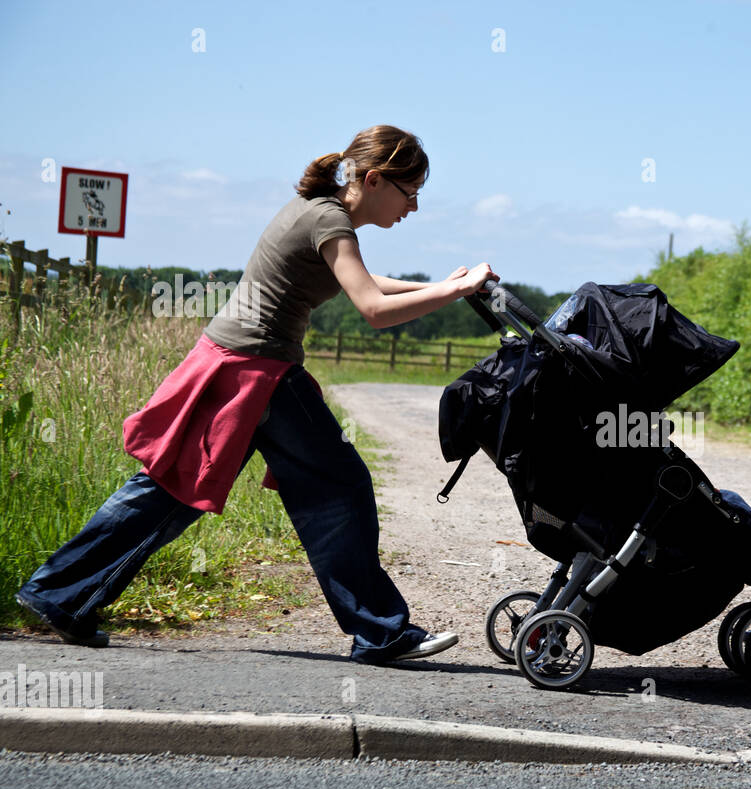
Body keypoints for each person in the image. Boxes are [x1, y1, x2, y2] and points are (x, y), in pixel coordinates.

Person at [14, 125, 498, 666]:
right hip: (256, 372)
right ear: (375, 179)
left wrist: (444, 284)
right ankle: (381, 632)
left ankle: (59, 593)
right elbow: (372, 309)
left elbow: (365, 280)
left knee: (172, 490)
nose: (414, 207)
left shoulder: (320, 211)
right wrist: (454, 290)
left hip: (238, 366)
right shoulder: (329, 218)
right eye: (410, 193)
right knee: (338, 487)